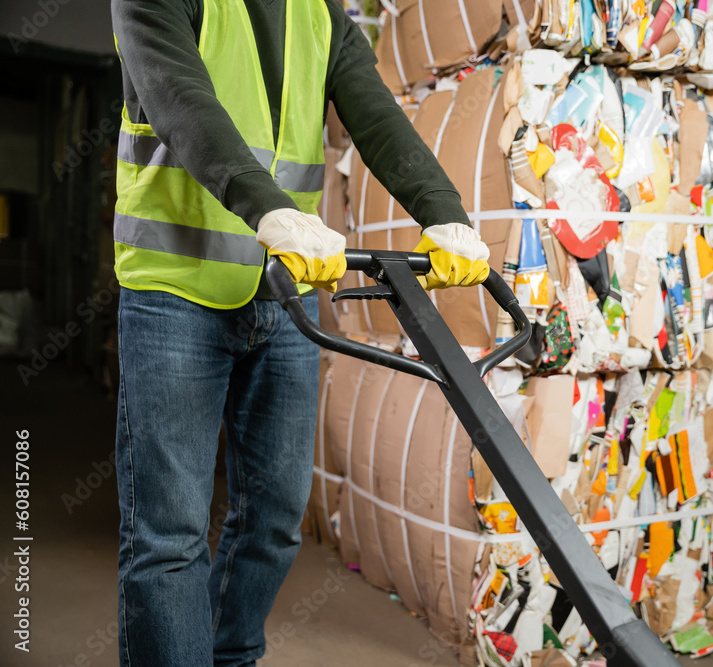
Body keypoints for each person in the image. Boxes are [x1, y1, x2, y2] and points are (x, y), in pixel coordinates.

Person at [109, 0, 489, 664]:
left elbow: (374, 111)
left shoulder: (320, 12)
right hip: (175, 288)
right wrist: (270, 209)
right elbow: (179, 102)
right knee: (168, 536)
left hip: (280, 295)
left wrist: (442, 207)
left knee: (275, 519)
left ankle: (231, 656)